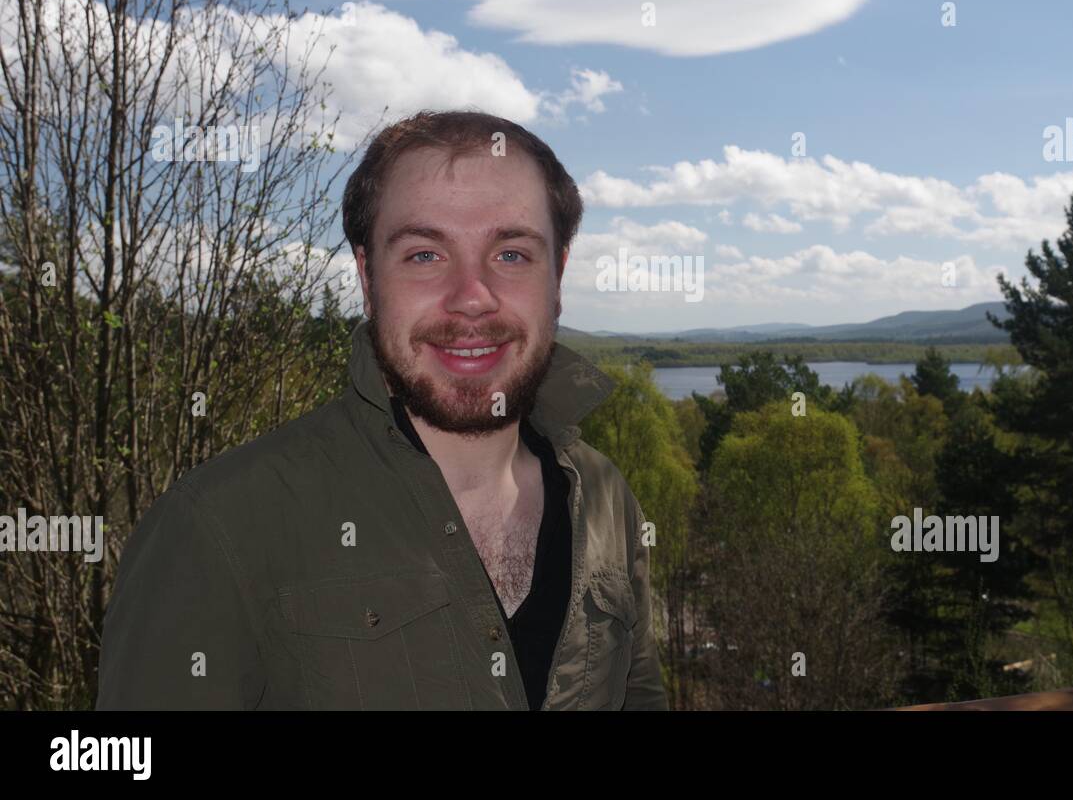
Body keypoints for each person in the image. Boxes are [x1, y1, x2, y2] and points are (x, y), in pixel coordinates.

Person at [96, 110, 668, 710]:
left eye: (511, 255)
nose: (472, 297)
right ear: (368, 278)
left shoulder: (604, 498)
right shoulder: (215, 529)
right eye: (425, 255)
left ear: (558, 276)